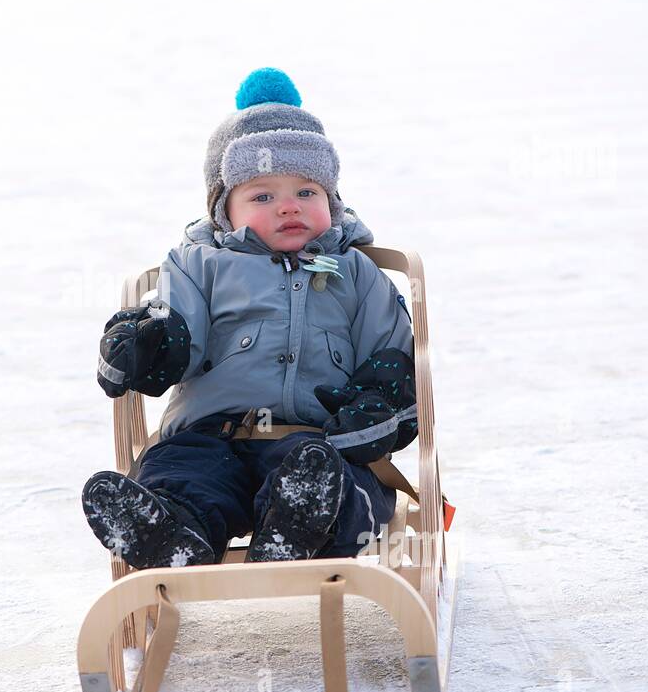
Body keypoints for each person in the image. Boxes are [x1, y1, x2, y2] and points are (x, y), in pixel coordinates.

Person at [82, 68, 418, 568]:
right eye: (262, 196)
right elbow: (178, 335)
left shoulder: (357, 273)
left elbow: (390, 355)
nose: (289, 207)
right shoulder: (198, 265)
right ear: (225, 211)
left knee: (337, 480)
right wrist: (146, 343)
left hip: (315, 444)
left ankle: (300, 520)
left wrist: (376, 404)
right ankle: (172, 532)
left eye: (307, 192)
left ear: (332, 199)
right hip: (210, 438)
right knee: (176, 471)